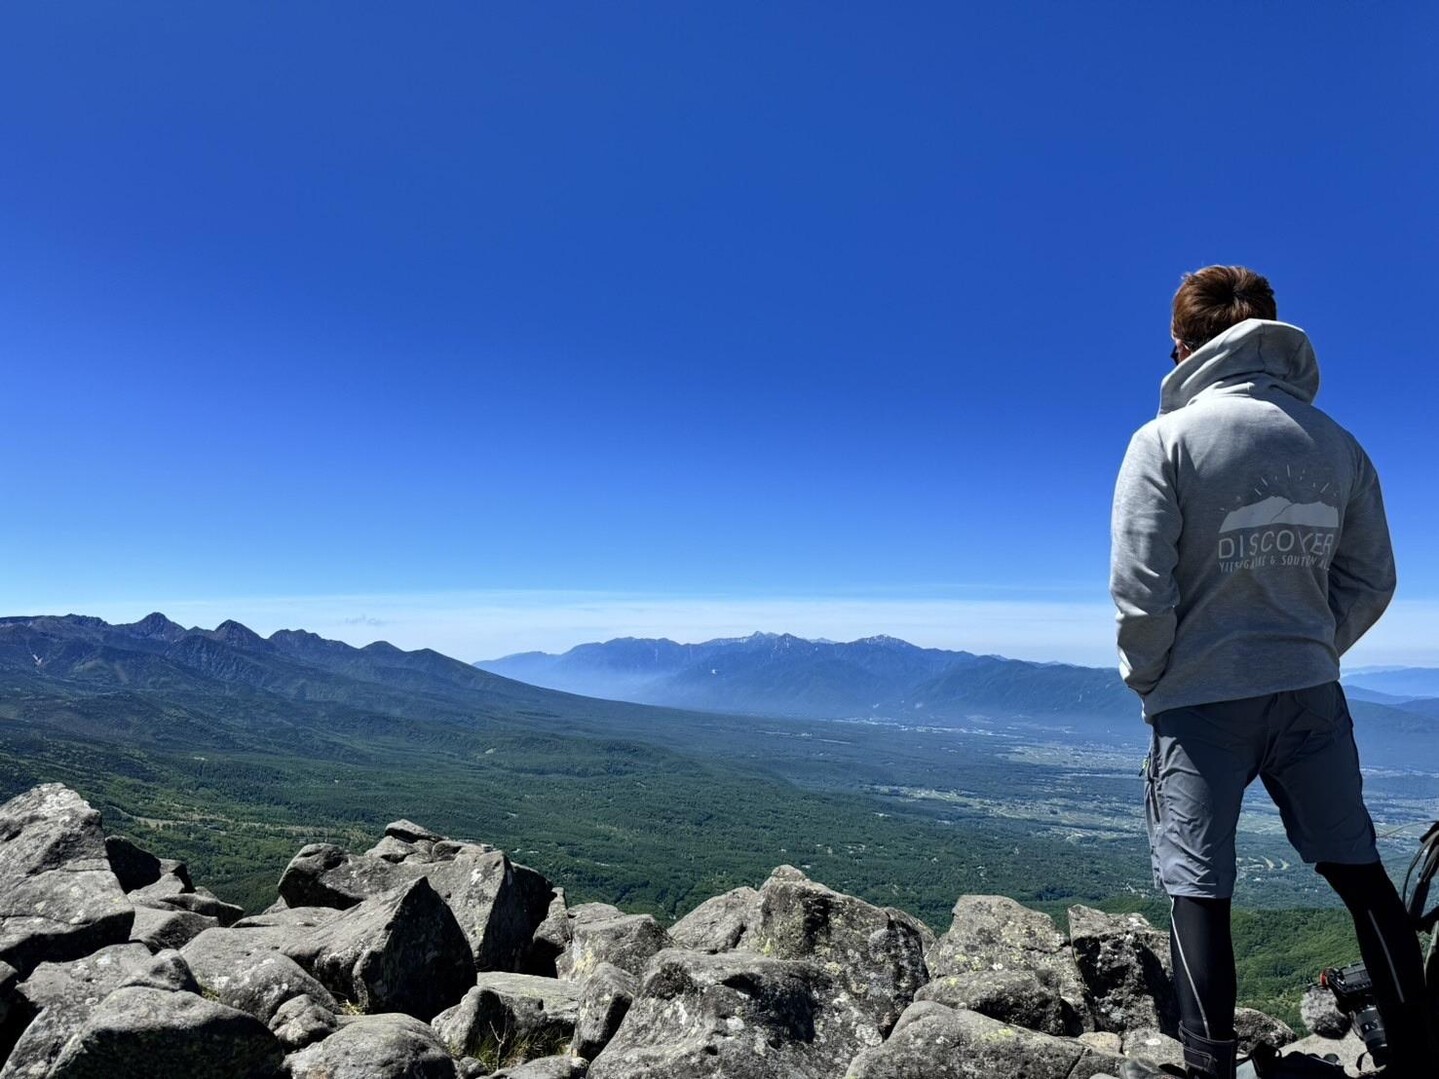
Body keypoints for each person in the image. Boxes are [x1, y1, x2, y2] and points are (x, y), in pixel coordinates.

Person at [1109, 266, 1433, 1078]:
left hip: (1199, 698)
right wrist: (1315, 645)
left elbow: (1140, 590)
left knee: (1197, 886)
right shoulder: (1336, 445)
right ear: (1270, 333)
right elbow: (1373, 578)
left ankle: (1209, 1068)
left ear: (1183, 344)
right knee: (1360, 874)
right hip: (1308, 693)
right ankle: (1420, 1051)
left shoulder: (1165, 442)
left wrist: (1152, 679)